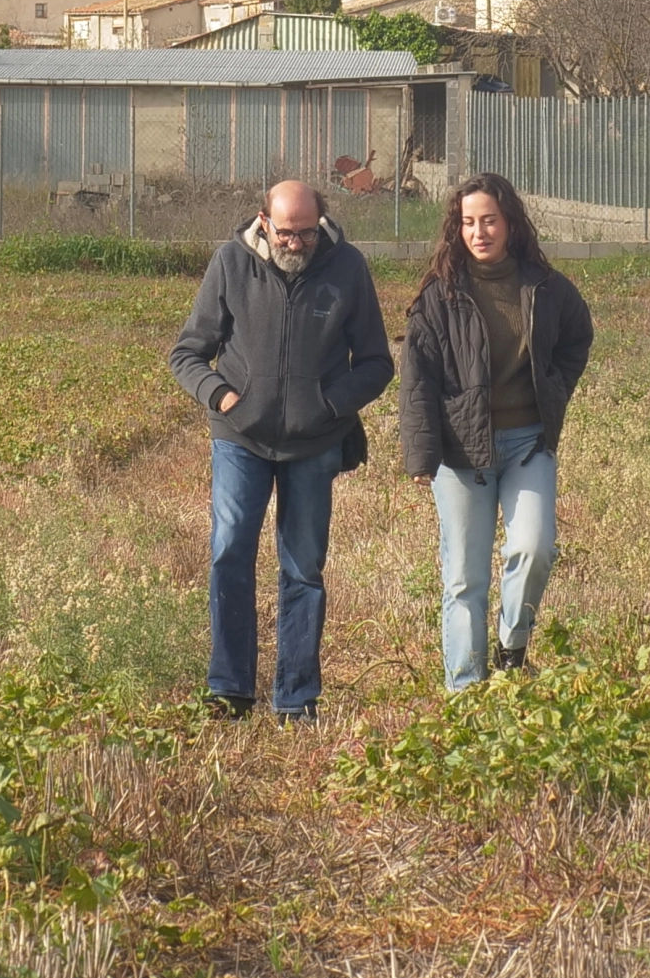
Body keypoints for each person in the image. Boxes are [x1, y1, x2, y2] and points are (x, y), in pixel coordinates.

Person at [170, 178, 392, 722]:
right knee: (229, 555)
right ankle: (230, 689)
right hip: (240, 439)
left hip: (315, 443)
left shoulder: (349, 269)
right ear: (263, 222)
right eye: (287, 233)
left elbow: (376, 362)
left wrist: (330, 405)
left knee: (303, 569)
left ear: (323, 223)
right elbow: (187, 354)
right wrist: (221, 396)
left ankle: (296, 699)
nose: (297, 245)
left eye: (308, 233)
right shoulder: (229, 263)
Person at [398, 174, 594, 691]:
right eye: (467, 222)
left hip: (529, 443)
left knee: (534, 548)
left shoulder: (545, 287)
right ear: (455, 229)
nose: (478, 231)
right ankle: (465, 689)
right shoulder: (439, 297)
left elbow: (579, 336)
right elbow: (415, 379)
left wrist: (554, 388)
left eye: (488, 220)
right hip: (462, 453)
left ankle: (512, 646)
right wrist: (421, 456)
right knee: (465, 579)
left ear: (509, 223)